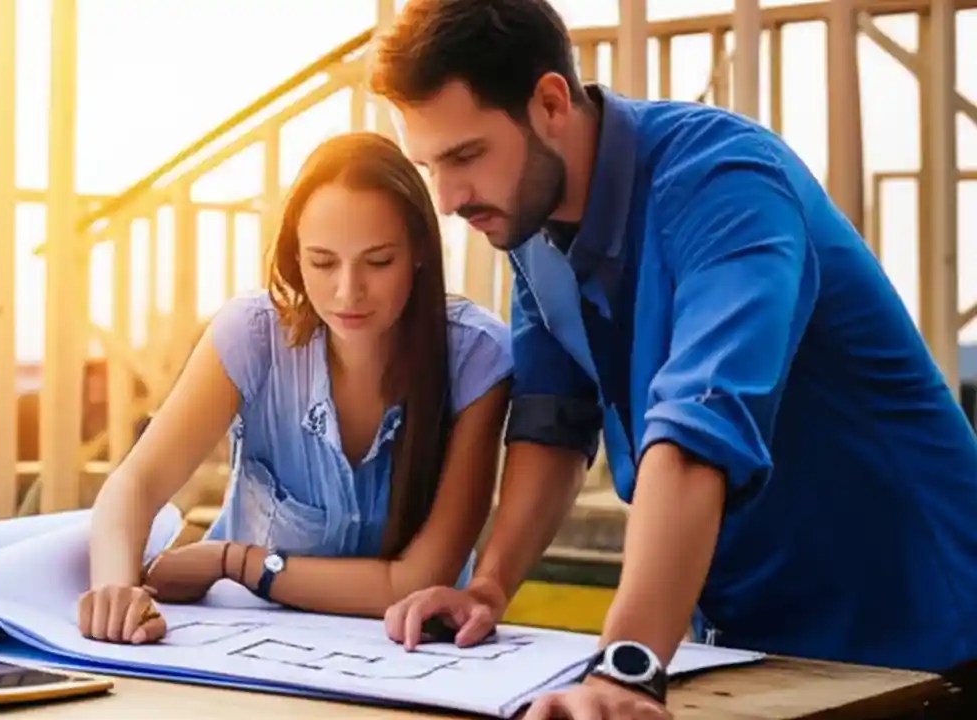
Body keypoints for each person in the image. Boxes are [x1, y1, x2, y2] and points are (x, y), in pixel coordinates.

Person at [368, 1, 977, 717]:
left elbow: (699, 429)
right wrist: (489, 586)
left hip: (929, 645)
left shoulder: (726, 184)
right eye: (429, 165)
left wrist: (623, 669)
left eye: (466, 156)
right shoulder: (528, 222)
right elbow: (552, 425)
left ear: (551, 103)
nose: (446, 199)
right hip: (755, 654)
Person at [77, 131, 514, 646]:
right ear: (295, 256)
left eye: (378, 261)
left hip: (408, 655)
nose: (348, 291)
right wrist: (116, 591)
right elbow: (136, 484)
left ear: (419, 252)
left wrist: (236, 561)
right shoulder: (253, 335)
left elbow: (416, 581)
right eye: (323, 262)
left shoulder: (476, 357)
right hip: (238, 642)